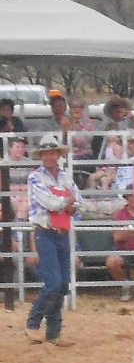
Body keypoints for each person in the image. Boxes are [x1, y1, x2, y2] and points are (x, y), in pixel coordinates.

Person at [24, 134, 78, 346]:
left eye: (51, 153)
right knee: (55, 282)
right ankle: (34, 323)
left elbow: (74, 201)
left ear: (57, 155)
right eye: (46, 153)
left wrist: (68, 203)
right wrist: (69, 203)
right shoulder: (36, 177)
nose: (49, 156)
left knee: (61, 284)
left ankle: (52, 332)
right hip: (46, 231)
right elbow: (51, 203)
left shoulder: (63, 177)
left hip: (59, 232)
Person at [67, 97, 96, 188]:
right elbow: (63, 140)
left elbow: (83, 142)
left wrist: (75, 126)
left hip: (84, 156)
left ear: (83, 109)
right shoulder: (66, 123)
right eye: (73, 107)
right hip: (68, 155)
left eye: (79, 106)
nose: (76, 109)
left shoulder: (88, 123)